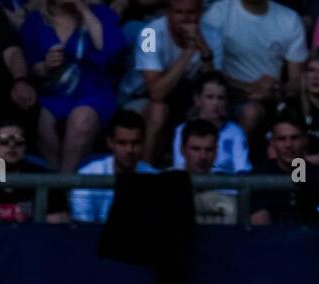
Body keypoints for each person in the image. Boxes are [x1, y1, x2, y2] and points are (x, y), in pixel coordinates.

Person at [19, 0, 125, 171]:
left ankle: (65, 185)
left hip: (91, 91)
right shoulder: (35, 20)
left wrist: (83, 9)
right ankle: (53, 185)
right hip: (50, 93)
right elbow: (31, 67)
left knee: (81, 119)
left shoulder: (100, 14)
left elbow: (110, 49)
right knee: (42, 121)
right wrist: (45, 65)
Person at [122, 0, 223, 164]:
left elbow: (215, 85)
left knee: (213, 104)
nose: (185, 18)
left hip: (186, 97)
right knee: (159, 110)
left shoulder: (212, 35)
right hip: (140, 97)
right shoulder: (149, 34)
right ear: (168, 13)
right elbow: (156, 92)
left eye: (191, 13)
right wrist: (188, 51)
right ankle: (146, 171)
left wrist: (204, 50)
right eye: (179, 12)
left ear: (200, 14)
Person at [201, 0, 308, 135]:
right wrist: (250, 88)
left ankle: (236, 153)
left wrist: (276, 90)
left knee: (251, 111)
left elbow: (296, 80)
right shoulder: (218, 13)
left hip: (269, 99)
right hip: (226, 93)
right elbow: (209, 71)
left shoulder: (289, 19)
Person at [71, 108, 156, 221]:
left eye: (135, 143)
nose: (129, 150)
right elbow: (83, 227)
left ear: (143, 143)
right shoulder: (88, 174)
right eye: (122, 143)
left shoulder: (155, 179)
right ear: (110, 142)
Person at [170, 70, 250, 172]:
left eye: (220, 98)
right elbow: (180, 165)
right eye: (210, 97)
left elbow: (242, 170)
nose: (215, 103)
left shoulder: (236, 132)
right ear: (197, 99)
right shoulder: (182, 129)